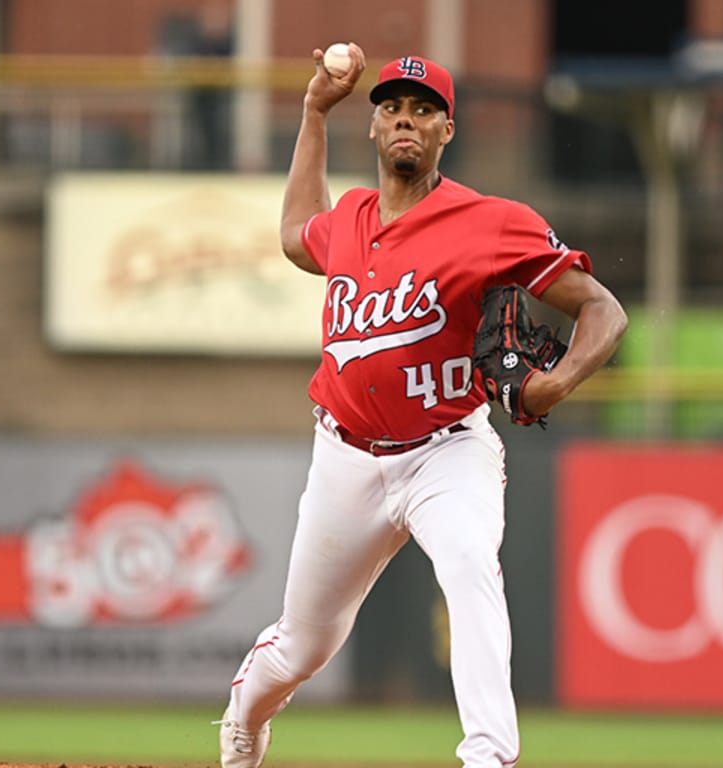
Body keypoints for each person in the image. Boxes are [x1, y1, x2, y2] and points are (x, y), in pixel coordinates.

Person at [215, 44, 627, 768]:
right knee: (305, 646)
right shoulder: (347, 218)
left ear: (446, 131)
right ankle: (244, 718)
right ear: (374, 129)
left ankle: (488, 757)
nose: (407, 119)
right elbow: (292, 236)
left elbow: (602, 309)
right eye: (393, 108)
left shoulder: (494, 222)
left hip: (448, 449)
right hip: (346, 456)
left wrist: (556, 381)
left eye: (425, 110)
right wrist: (313, 110)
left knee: (470, 562)